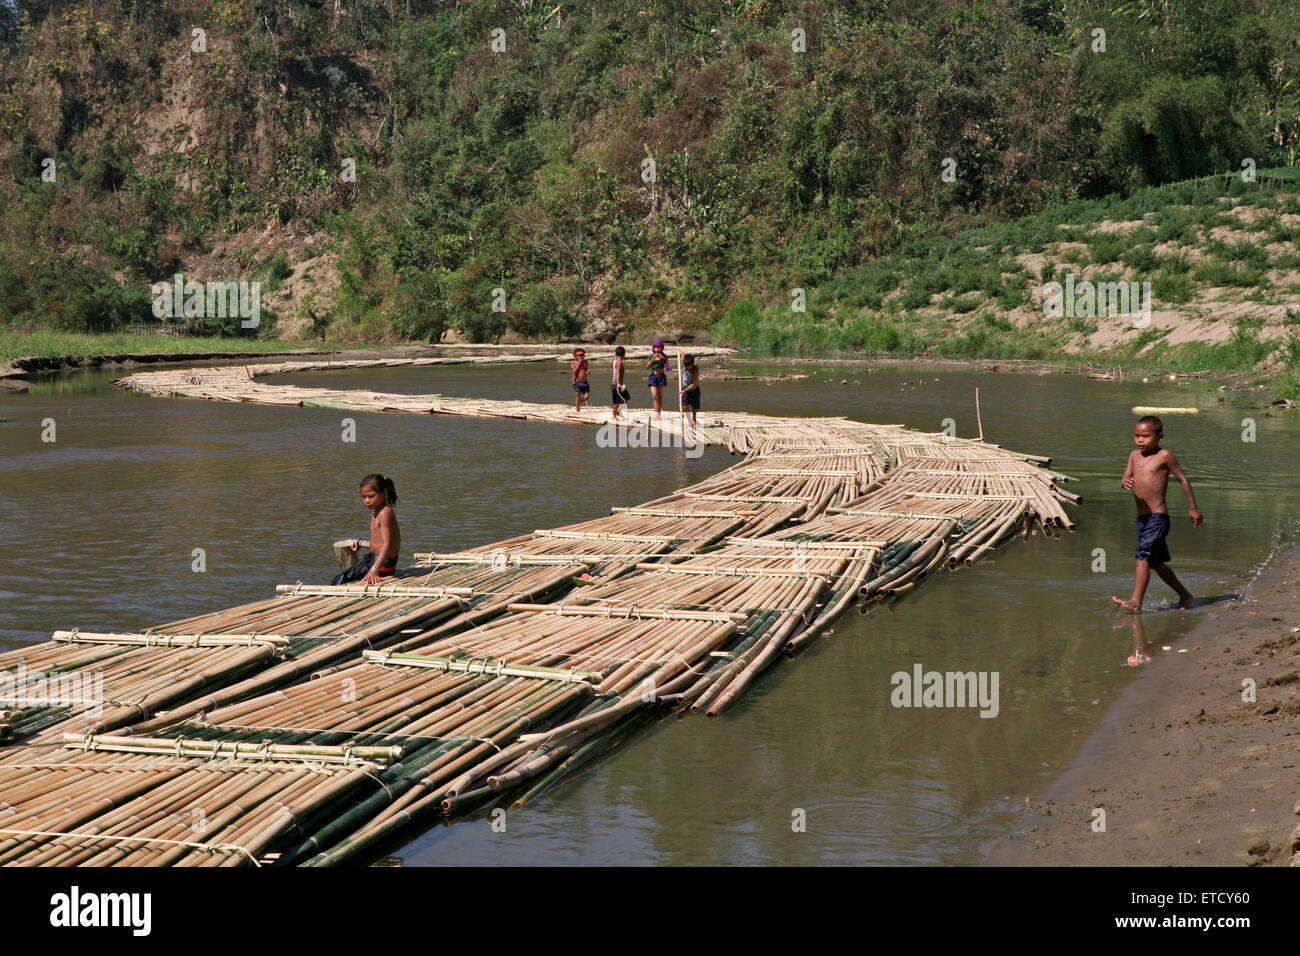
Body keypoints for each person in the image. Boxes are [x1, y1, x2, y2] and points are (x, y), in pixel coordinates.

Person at [1111, 416, 1203, 613]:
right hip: (1142, 519)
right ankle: (1185, 595)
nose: (1140, 440)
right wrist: (1125, 482)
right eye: (1137, 436)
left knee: (1142, 556)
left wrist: (1193, 508)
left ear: (1160, 436)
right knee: (1155, 562)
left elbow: (1183, 480)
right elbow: (1125, 477)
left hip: (1158, 518)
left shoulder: (1165, 456)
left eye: (1145, 436)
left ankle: (1136, 602)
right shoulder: (1134, 456)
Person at [334, 474, 401, 585]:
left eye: (371, 496)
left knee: (340, 580)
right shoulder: (377, 511)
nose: (367, 501)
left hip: (382, 566)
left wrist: (374, 570)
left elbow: (387, 544)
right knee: (342, 578)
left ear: (384, 493)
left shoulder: (385, 513)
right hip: (376, 562)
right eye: (363, 497)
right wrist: (360, 542)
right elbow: (378, 544)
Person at [646, 340, 671, 417]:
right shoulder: (650, 356)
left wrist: (663, 359)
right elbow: (647, 366)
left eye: (659, 347)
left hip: (661, 376)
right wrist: (653, 358)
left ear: (662, 348)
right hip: (653, 376)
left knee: (659, 396)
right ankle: (656, 413)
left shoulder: (664, 356)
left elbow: (667, 366)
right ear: (653, 348)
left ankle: (658, 414)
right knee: (654, 396)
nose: (657, 349)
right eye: (656, 347)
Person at [679, 353, 701, 427]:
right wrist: (681, 353)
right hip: (685, 390)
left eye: (688, 365)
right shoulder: (685, 363)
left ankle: (694, 419)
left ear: (692, 364)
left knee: (694, 406)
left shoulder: (695, 369)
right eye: (685, 365)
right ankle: (689, 420)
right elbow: (683, 356)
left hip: (694, 390)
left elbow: (694, 383)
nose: (686, 367)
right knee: (685, 406)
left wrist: (684, 391)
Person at [610, 345, 630, 419]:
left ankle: (618, 413)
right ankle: (614, 417)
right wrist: (618, 383)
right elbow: (618, 372)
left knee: (626, 398)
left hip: (617, 384)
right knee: (616, 403)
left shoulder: (615, 361)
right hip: (616, 385)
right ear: (624, 354)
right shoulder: (620, 362)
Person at [571, 347, 590, 412]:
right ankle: (577, 410)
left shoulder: (585, 362)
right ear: (576, 356)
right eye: (579, 356)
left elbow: (587, 369)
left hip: (585, 382)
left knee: (587, 396)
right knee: (578, 396)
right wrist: (579, 363)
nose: (581, 357)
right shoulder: (574, 363)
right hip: (577, 382)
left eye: (582, 355)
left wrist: (588, 371)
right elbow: (574, 372)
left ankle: (578, 404)